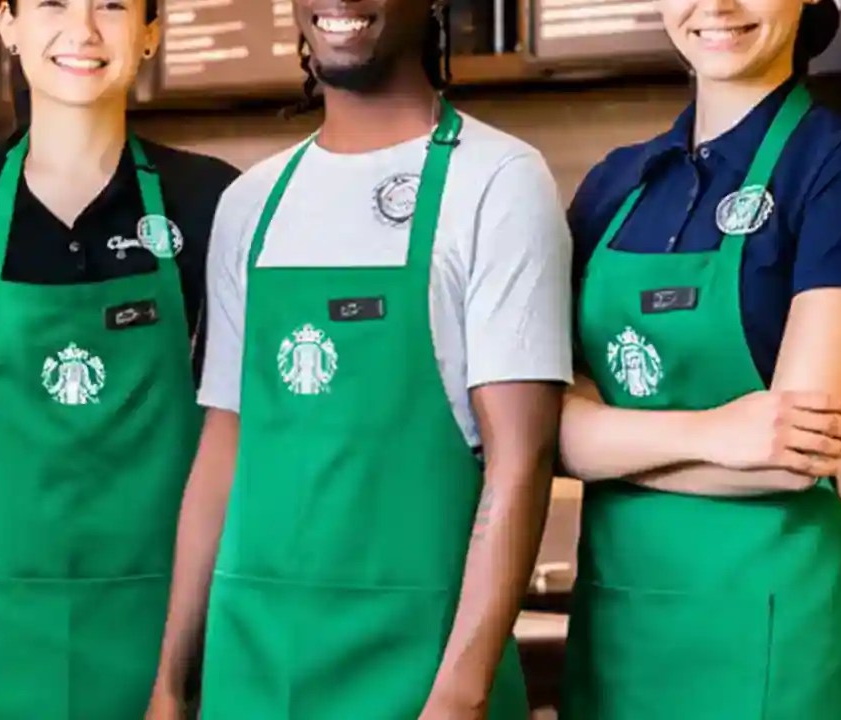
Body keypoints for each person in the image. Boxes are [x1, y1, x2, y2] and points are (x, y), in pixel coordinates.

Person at [145, 1, 572, 718]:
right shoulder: (252, 203)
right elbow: (225, 448)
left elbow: (520, 460)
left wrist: (461, 696)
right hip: (253, 669)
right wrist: (170, 682)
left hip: (418, 668)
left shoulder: (498, 180)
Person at [0, 0, 240, 717]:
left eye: (111, 5)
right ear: (7, 24)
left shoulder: (214, 204)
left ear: (152, 33)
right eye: (51, 4)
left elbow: (238, 438)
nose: (83, 31)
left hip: (164, 630)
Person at [558, 0, 841, 715]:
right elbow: (543, 430)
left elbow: (792, 450)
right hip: (619, 621)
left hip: (779, 623)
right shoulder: (613, 185)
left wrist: (605, 441)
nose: (716, 6)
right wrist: (717, 434)